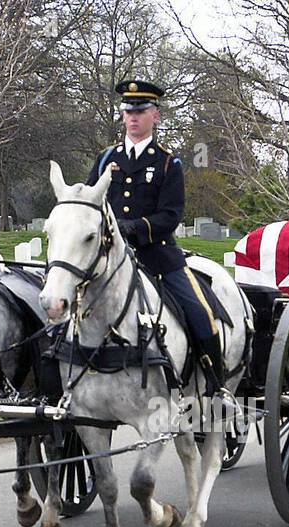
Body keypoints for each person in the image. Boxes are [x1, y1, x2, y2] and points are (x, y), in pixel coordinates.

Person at [86, 78, 229, 400]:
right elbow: (89, 203)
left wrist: (132, 227)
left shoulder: (167, 162)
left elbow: (170, 215)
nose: (133, 117)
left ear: (156, 115)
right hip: (109, 259)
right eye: (128, 111)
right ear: (122, 116)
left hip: (158, 257)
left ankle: (215, 383)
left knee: (201, 314)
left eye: (142, 111)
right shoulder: (105, 159)